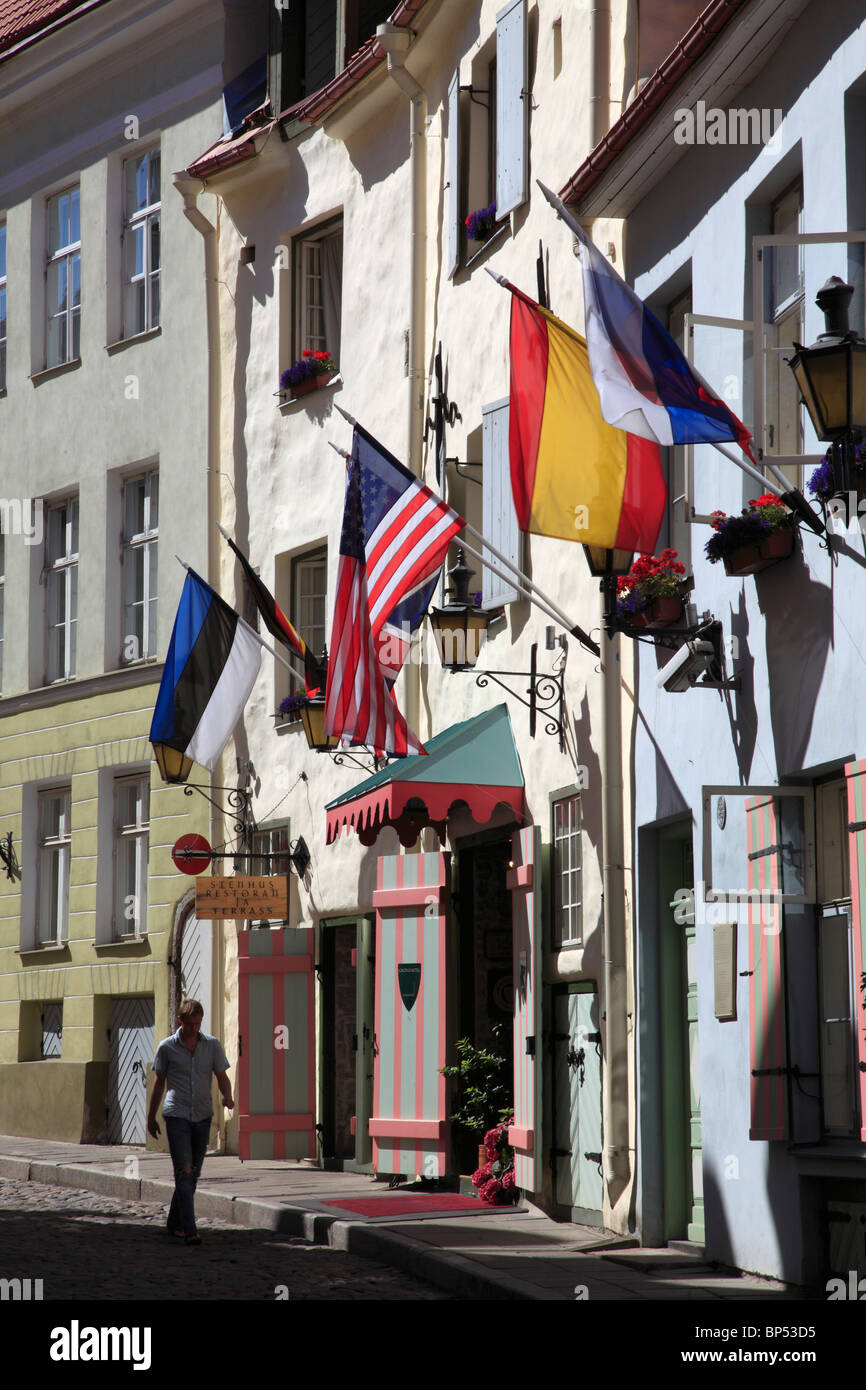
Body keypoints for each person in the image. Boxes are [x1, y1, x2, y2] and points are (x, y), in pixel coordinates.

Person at [148, 999, 234, 1246]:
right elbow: (158, 1084)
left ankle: (174, 1222)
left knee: (193, 1174)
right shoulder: (167, 1048)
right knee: (184, 1171)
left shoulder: (212, 1045)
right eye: (189, 1024)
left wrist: (227, 1097)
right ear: (180, 1021)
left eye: (197, 1024)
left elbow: (222, 1076)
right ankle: (190, 1228)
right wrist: (151, 1116)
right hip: (176, 1115)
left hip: (203, 1116)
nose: (193, 1029)